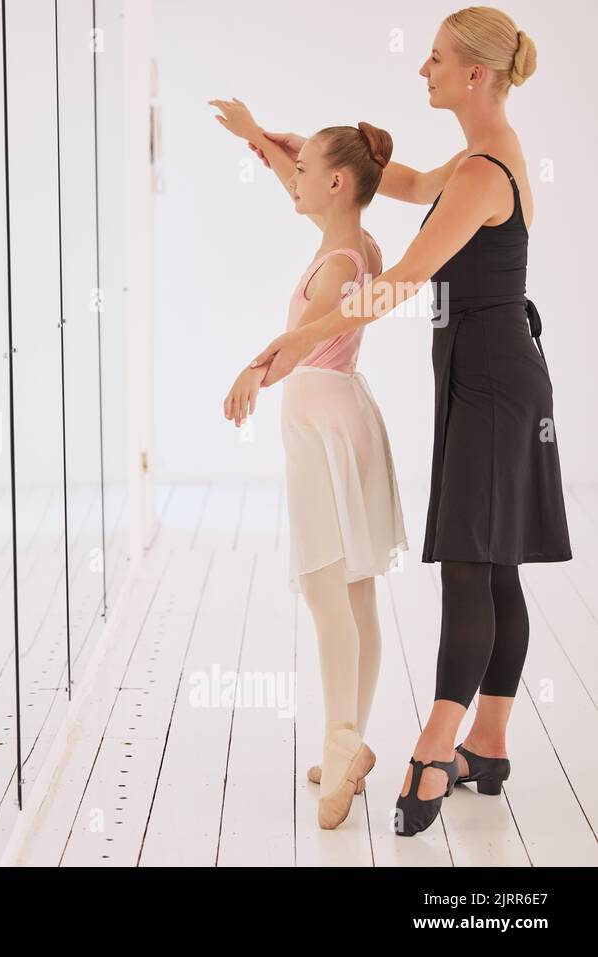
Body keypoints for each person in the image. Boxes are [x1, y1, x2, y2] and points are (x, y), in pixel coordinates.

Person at [248, 7, 570, 837]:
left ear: (475, 74)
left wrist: (292, 341)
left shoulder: (483, 173)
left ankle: (435, 747)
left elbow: (396, 287)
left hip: (495, 381)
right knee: (495, 568)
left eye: (434, 60)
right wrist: (301, 152)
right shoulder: (474, 157)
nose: (419, 70)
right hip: (486, 373)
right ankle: (487, 745)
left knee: (468, 567)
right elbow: (407, 184)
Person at [215, 99, 407, 828]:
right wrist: (261, 140)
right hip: (341, 416)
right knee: (355, 594)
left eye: (303, 172)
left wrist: (251, 372)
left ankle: (342, 742)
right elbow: (296, 187)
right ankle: (349, 740)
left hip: (322, 420)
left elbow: (297, 344)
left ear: (336, 184)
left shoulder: (336, 268)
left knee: (331, 594)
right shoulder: (360, 244)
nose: (289, 181)